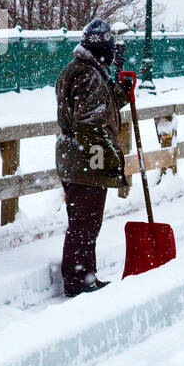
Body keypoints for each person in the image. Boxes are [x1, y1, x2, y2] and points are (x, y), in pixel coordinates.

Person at [54, 18, 136, 296]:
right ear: (103, 49)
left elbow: (95, 110)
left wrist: (120, 95)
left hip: (76, 157)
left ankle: (84, 275)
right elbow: (90, 125)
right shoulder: (88, 75)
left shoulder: (81, 71)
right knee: (85, 223)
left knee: (83, 221)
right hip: (86, 161)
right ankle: (79, 281)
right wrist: (108, 162)